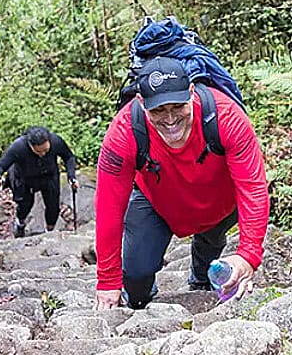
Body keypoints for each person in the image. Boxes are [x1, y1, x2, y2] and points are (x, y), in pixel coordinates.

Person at [93, 57, 269, 310]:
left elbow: (253, 188)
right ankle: (142, 299)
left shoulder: (227, 117)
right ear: (141, 102)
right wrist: (108, 280)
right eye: (158, 111)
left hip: (218, 201)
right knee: (136, 276)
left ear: (191, 92)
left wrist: (248, 256)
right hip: (157, 202)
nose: (170, 119)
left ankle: (200, 281)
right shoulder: (123, 133)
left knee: (210, 245)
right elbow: (109, 206)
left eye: (178, 107)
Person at [0, 126, 78, 237]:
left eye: (46, 150)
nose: (43, 154)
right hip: (24, 178)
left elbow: (69, 157)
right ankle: (20, 223)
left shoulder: (56, 141)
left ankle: (49, 232)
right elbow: (0, 165)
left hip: (49, 175)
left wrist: (71, 176)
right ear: (31, 146)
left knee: (53, 207)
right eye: (39, 151)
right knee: (24, 206)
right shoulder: (18, 147)